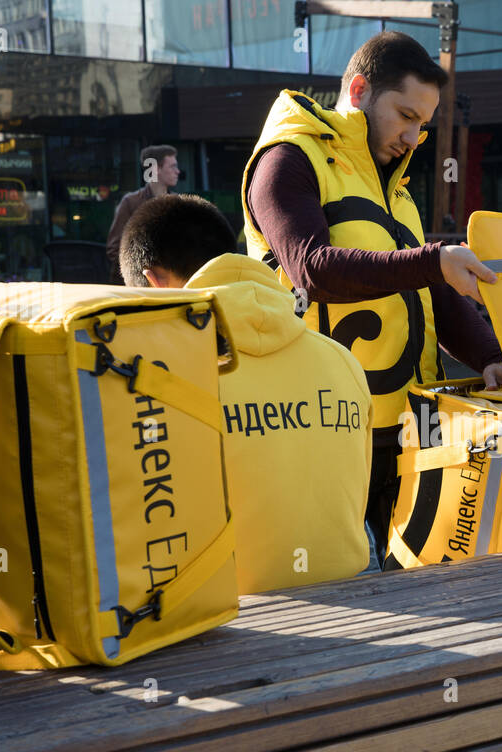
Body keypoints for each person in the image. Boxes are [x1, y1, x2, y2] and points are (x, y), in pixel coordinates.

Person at [240, 30, 502, 567]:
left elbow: (432, 292)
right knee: (340, 592)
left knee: (430, 579)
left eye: (423, 126)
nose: (413, 138)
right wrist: (433, 259)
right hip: (325, 427)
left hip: (412, 423)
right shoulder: (286, 161)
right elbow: (310, 270)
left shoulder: (395, 189)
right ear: (359, 89)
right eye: (405, 115)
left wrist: (490, 357)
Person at [120, 194, 372, 594]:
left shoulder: (148, 379)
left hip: (223, 619)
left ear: (154, 283)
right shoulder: (343, 362)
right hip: (353, 588)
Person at [105, 144, 181, 281]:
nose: (178, 171)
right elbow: (114, 249)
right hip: (135, 286)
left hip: (170, 283)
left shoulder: (178, 203)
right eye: (172, 166)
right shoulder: (131, 202)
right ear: (156, 169)